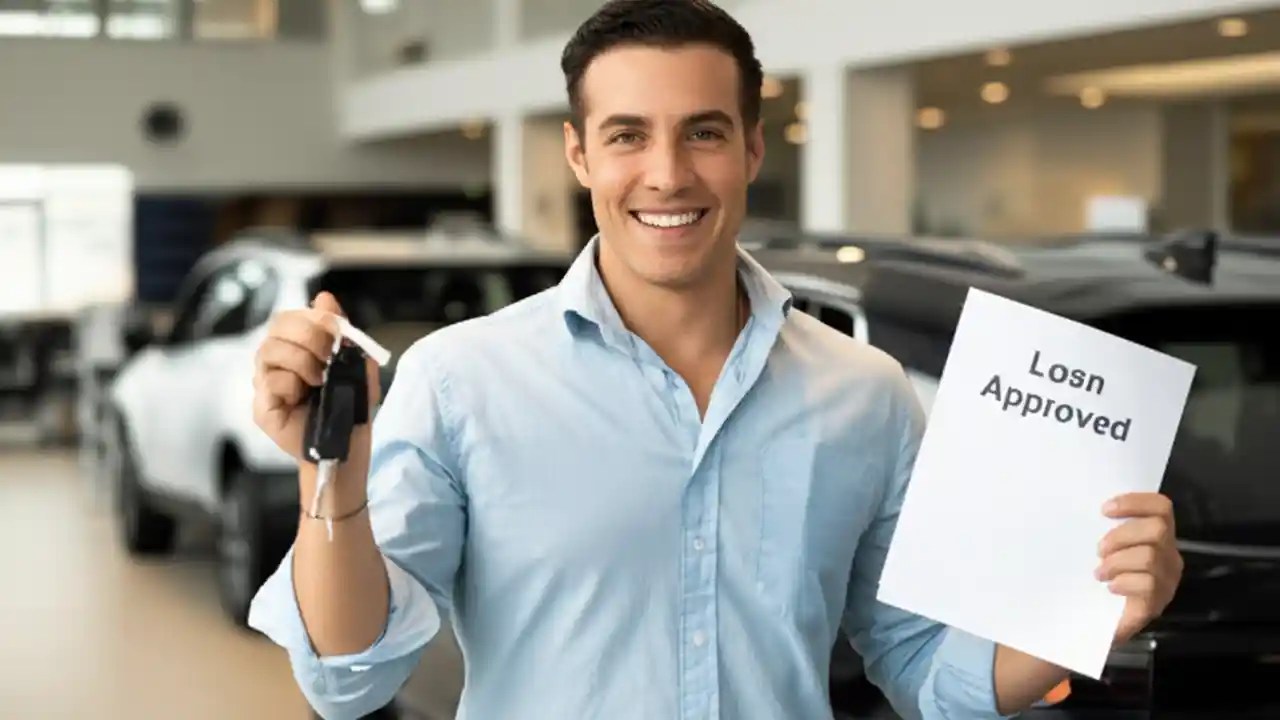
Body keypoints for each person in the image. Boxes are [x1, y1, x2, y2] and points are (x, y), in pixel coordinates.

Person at [247, 1, 1184, 718]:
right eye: (627, 135)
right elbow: (348, 678)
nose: (667, 173)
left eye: (703, 131)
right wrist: (332, 476)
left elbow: (926, 669)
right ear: (578, 155)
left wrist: (1083, 617)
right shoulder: (461, 381)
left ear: (751, 148)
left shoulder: (865, 394)